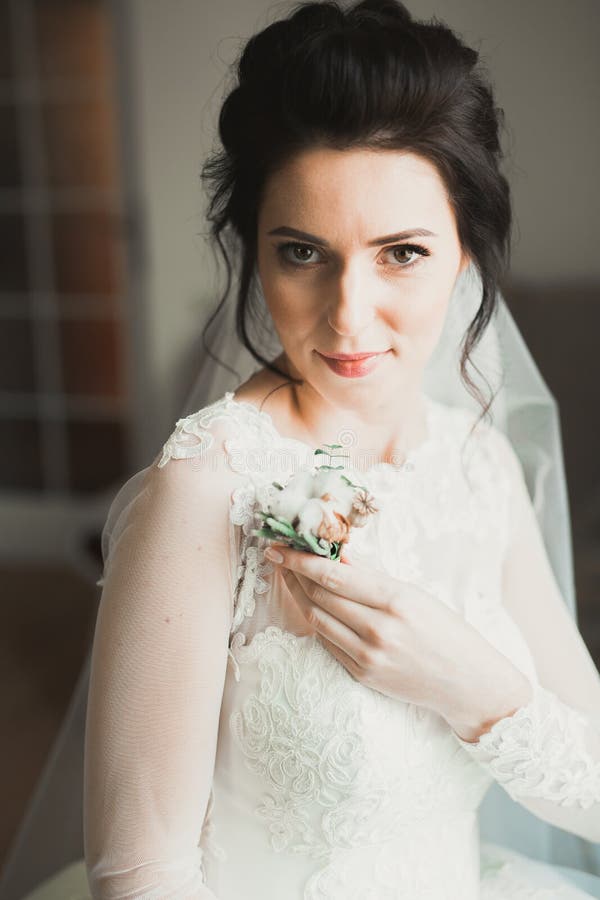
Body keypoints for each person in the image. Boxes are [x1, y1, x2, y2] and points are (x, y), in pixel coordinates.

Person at [68, 1, 600, 898]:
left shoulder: (479, 468)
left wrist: (468, 685)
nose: (349, 315)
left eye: (401, 252)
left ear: (464, 254)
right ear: (254, 251)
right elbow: (142, 874)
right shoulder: (206, 488)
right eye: (304, 252)